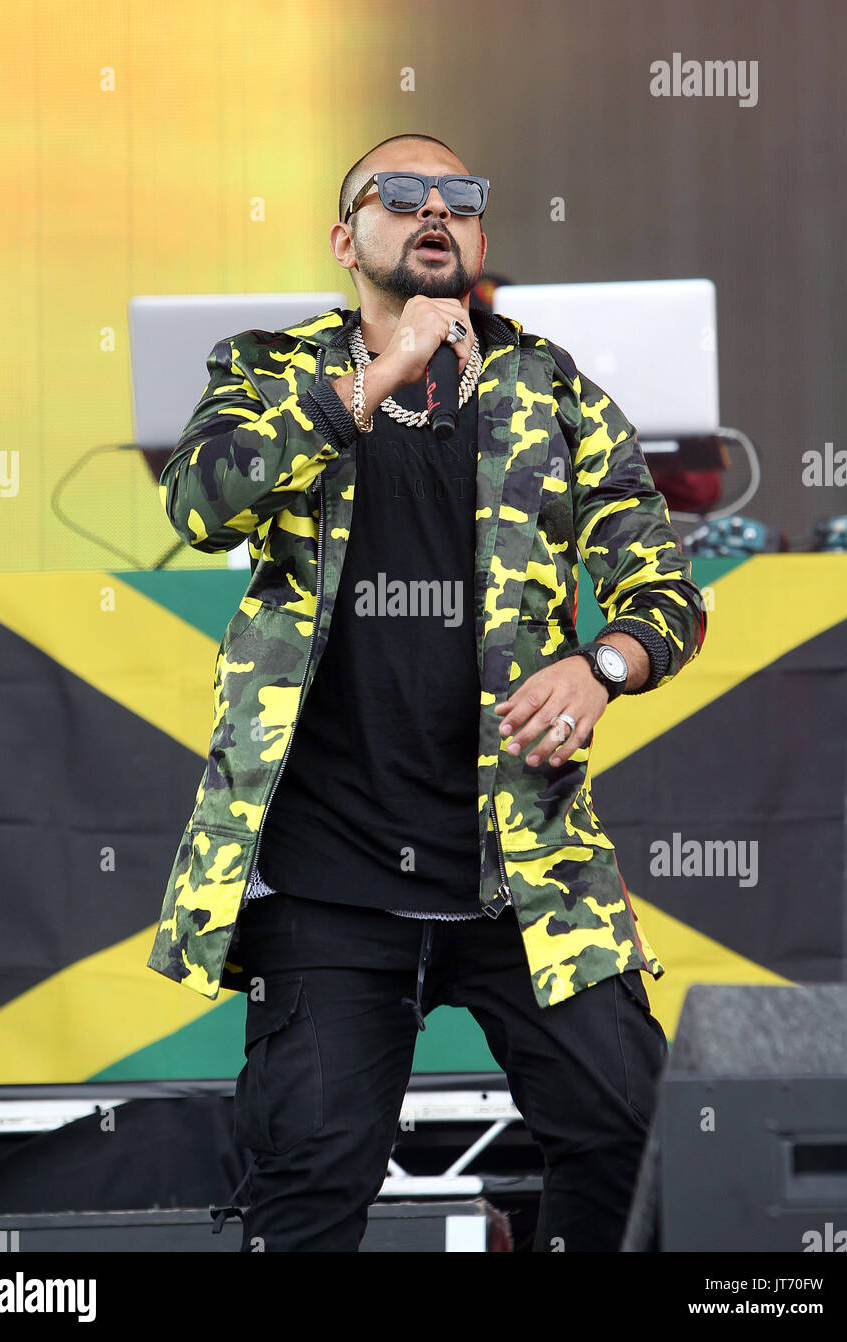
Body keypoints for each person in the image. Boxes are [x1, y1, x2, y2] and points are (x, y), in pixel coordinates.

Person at [147, 132, 708, 1252]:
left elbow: (664, 590)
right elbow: (200, 502)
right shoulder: (269, 367)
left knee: (635, 1133)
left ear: (482, 237)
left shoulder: (551, 389)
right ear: (345, 238)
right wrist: (377, 378)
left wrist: (602, 665)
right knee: (309, 1172)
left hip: (523, 870)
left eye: (461, 198)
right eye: (399, 196)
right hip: (330, 875)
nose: (434, 211)